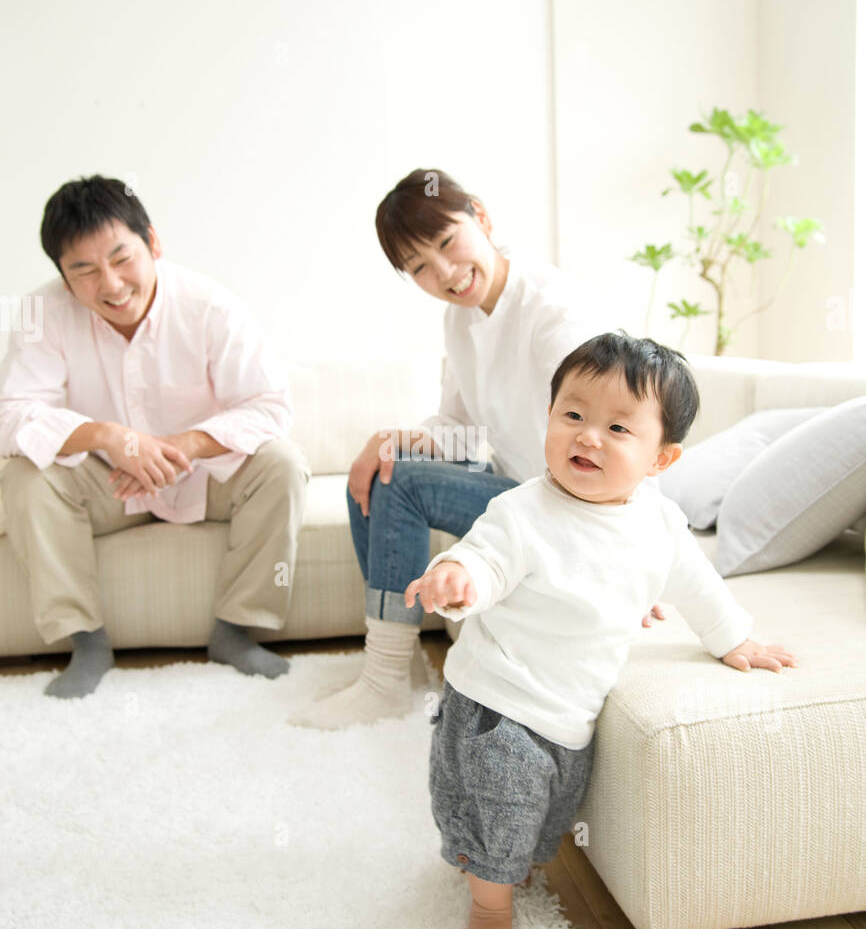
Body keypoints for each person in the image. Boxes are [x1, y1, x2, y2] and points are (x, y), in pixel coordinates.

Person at [405, 332, 798, 929]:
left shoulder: (659, 524)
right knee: (495, 812)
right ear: (551, 416)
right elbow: (486, 560)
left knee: (547, 816)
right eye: (573, 415)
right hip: (497, 700)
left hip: (571, 713)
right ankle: (487, 904)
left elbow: (698, 587)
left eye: (618, 427)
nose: (588, 436)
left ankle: (504, 862)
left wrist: (736, 639)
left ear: (661, 459)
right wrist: (456, 580)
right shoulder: (522, 511)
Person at [291, 168, 662, 730]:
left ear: (481, 218)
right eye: (419, 267)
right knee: (379, 468)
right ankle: (396, 663)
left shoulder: (552, 312)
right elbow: (459, 427)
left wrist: (628, 556)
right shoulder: (459, 321)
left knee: (401, 481)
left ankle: (384, 680)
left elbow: (619, 432)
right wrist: (388, 440)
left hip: (569, 507)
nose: (443, 272)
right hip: (519, 487)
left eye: (446, 243)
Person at [0, 175, 310, 698]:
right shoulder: (40, 313)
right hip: (107, 483)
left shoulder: (210, 305)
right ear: (63, 277)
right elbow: (12, 416)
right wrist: (106, 436)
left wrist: (187, 445)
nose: (112, 285)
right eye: (85, 270)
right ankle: (85, 641)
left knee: (281, 463)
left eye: (123, 259)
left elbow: (270, 406)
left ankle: (236, 630)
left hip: (201, 475)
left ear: (154, 244)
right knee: (26, 477)